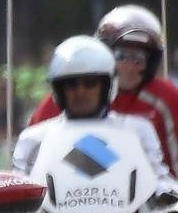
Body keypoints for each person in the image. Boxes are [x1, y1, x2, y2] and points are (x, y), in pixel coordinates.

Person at [30, 5, 178, 175]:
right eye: (121, 56)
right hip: (67, 193)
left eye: (139, 58)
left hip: (148, 195)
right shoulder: (66, 98)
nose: (130, 66)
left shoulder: (166, 98)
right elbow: (34, 157)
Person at [14, 36, 170, 188]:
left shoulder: (137, 130)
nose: (80, 92)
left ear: (107, 86)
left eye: (90, 83)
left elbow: (160, 179)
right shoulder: (34, 138)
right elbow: (18, 186)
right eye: (71, 84)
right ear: (59, 90)